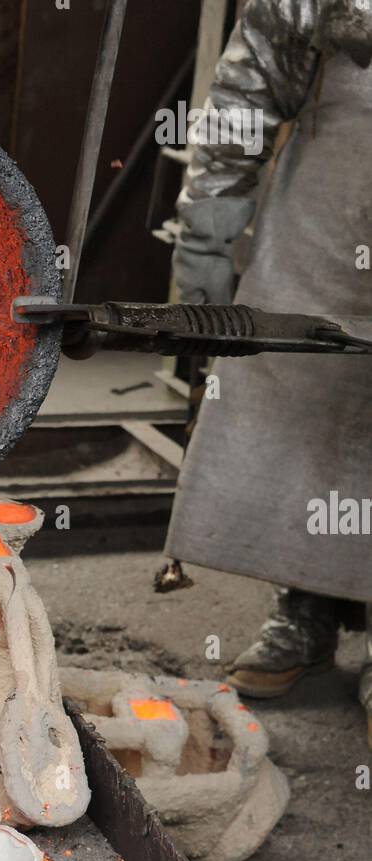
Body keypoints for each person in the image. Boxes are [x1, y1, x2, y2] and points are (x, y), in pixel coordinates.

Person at [166, 0, 372, 744]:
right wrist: (205, 248)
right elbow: (240, 104)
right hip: (322, 219)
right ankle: (305, 611)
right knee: (294, 403)